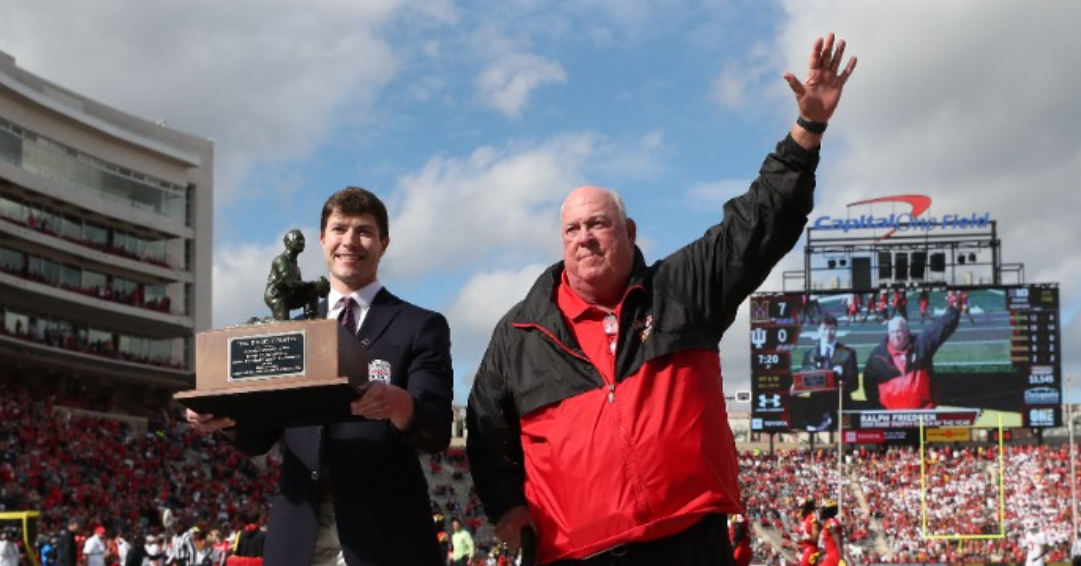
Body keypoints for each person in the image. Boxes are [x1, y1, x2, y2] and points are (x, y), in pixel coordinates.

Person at [466, 33, 856, 565]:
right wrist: (506, 505)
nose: (585, 237)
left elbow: (757, 223)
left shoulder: (681, 289)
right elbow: (487, 429)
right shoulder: (521, 333)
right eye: (573, 228)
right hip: (574, 552)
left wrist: (807, 130)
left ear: (627, 229)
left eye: (598, 223)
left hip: (688, 542)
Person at [188, 186, 454, 566]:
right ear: (322, 239)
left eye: (363, 231)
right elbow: (258, 436)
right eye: (339, 229)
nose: (350, 241)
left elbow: (436, 428)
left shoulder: (420, 326)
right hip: (299, 531)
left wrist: (398, 403)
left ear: (384, 243)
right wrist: (222, 418)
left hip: (385, 532)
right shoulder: (286, 332)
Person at [862, 293, 961, 410]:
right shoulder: (877, 357)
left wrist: (954, 309)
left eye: (899, 331)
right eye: (892, 332)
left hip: (923, 417)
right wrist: (880, 411)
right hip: (891, 420)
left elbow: (940, 328)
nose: (896, 336)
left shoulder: (921, 345)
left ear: (907, 332)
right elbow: (869, 388)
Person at [793, 314, 859, 431]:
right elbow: (803, 380)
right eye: (824, 329)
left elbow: (854, 384)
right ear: (818, 330)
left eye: (831, 329)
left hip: (840, 406)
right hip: (816, 409)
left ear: (836, 330)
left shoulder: (848, 353)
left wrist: (833, 384)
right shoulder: (809, 354)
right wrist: (796, 387)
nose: (828, 332)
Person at [263, 229, 330, 320]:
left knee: (311, 291)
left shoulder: (295, 267)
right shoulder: (280, 260)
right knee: (283, 324)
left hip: (288, 295)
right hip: (276, 295)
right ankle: (259, 322)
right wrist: (314, 284)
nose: (302, 242)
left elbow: (299, 288)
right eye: (298, 239)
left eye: (303, 240)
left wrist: (317, 289)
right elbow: (291, 284)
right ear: (288, 242)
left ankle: (311, 319)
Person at [817, 501, 848, 566]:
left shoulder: (831, 523)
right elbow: (830, 545)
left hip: (834, 557)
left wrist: (841, 558)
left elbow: (838, 542)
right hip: (831, 555)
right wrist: (818, 554)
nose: (820, 511)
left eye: (822, 509)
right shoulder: (828, 522)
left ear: (827, 511)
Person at [797, 499, 821, 566]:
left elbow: (815, 538)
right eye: (799, 507)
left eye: (801, 507)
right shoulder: (803, 519)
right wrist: (800, 540)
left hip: (811, 548)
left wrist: (805, 537)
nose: (800, 509)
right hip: (804, 548)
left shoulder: (813, 518)